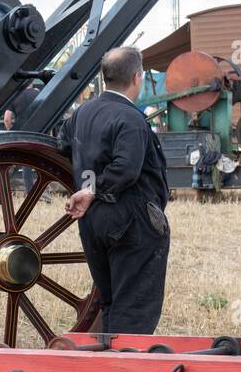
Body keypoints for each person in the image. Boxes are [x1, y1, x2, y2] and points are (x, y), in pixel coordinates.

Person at [60, 47, 170, 334]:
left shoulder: (82, 114)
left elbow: (62, 144)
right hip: (130, 217)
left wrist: (84, 186)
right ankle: (125, 370)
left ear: (104, 77)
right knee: (134, 306)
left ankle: (107, 363)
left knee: (111, 302)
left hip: (93, 222)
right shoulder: (130, 118)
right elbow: (127, 168)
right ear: (137, 77)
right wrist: (93, 190)